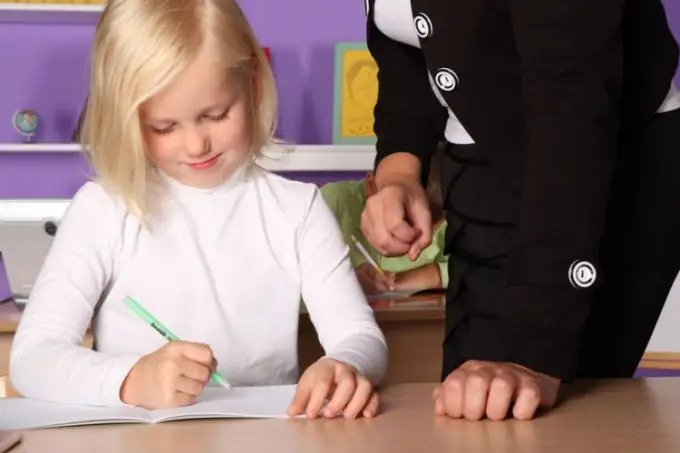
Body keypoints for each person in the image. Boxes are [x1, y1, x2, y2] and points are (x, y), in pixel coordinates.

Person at [10, 0, 387, 420]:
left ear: (254, 84)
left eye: (216, 114)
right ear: (128, 120)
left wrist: (344, 365)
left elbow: (360, 336)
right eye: (164, 127)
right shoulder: (102, 210)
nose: (196, 145)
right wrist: (131, 379)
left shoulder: (297, 211)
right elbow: (30, 358)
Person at [361, 0, 680, 421]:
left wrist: (535, 354)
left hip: (598, 173)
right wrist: (399, 169)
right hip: (479, 172)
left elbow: (571, 103)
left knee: (552, 414)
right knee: (469, 407)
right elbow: (408, 39)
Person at [320, 143, 448, 295]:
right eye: (406, 217)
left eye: (434, 223)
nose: (425, 234)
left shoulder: (455, 215)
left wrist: (432, 275)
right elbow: (292, 272)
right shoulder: (330, 204)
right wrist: (341, 280)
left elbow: (477, 269)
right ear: (371, 185)